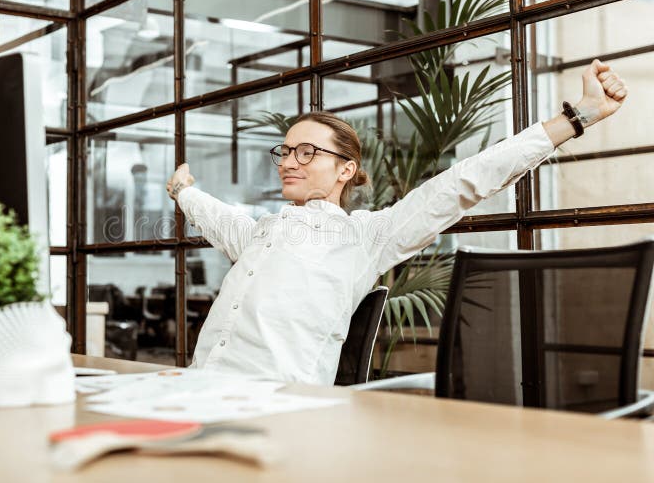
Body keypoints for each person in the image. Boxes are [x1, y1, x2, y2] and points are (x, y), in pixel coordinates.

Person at [165, 59, 627, 385]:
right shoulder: (259, 232)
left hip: (278, 407)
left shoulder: (366, 235)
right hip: (198, 391)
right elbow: (213, 213)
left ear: (345, 169)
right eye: (284, 151)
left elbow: (465, 181)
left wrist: (578, 116)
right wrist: (183, 190)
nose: (289, 161)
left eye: (307, 152)